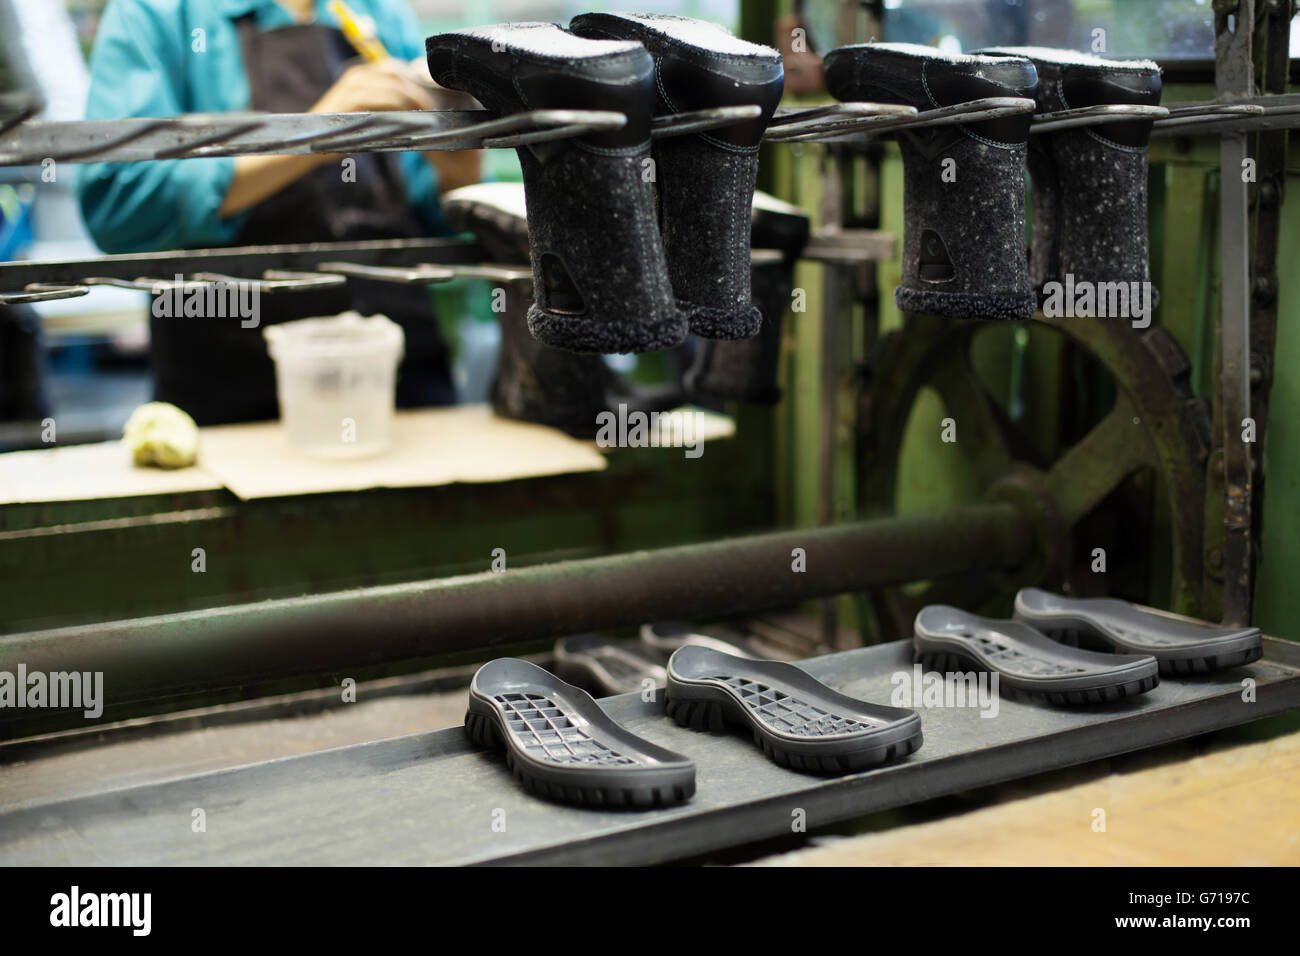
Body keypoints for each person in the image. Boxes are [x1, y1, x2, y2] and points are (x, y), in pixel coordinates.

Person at [76, 0, 481, 425]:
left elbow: (434, 216)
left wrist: (460, 173)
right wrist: (310, 138)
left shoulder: (381, 15)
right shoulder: (158, 14)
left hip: (399, 387)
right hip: (230, 391)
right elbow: (118, 205)